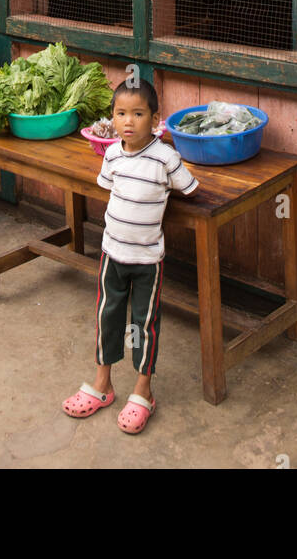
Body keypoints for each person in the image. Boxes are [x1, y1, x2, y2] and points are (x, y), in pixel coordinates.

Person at [62, 77, 198, 433]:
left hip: (147, 261)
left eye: (138, 114)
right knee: (108, 317)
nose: (128, 121)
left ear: (155, 119)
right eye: (121, 113)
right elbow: (108, 186)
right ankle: (102, 384)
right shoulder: (111, 154)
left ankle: (142, 392)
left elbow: (190, 187)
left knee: (142, 324)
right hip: (112, 254)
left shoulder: (166, 158)